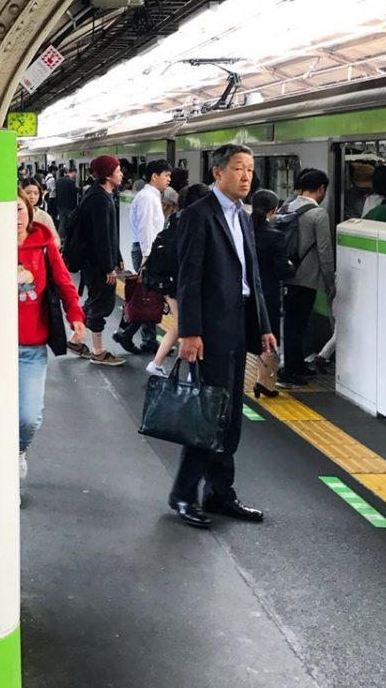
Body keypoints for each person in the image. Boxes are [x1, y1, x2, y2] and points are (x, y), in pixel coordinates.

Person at [170, 144, 276, 529]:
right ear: (217, 172)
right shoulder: (198, 215)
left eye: (249, 169)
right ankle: (184, 494)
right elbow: (188, 278)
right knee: (208, 414)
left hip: (236, 325)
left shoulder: (243, 216)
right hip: (209, 329)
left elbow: (252, 277)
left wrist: (263, 326)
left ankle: (219, 492)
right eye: (237, 168)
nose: (246, 176)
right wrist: (190, 331)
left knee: (230, 416)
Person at [16, 188, 84, 481]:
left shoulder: (43, 244)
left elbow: (64, 281)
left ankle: (19, 450)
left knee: (29, 417)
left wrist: (75, 315)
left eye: (19, 209)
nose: (15, 218)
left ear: (30, 210)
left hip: (30, 348)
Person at [141, 184, 209, 377]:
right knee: (184, 326)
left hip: (167, 281)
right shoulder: (194, 223)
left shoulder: (175, 219)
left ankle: (160, 363)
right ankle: (189, 370)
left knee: (182, 326)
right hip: (178, 283)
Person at [278, 168, 335, 388]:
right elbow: (324, 251)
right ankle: (290, 370)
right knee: (298, 325)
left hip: (287, 274)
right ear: (321, 189)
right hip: (306, 278)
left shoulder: (287, 207)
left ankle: (295, 365)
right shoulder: (318, 214)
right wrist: (330, 282)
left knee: (292, 324)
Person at [68, 155, 126, 367]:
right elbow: (101, 238)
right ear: (108, 175)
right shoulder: (99, 200)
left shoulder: (99, 195)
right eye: (118, 171)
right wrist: (108, 267)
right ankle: (98, 351)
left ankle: (75, 340)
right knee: (100, 305)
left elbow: (109, 234)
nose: (121, 174)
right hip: (97, 264)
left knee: (95, 301)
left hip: (95, 262)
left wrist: (117, 257)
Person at [113, 159, 172, 356]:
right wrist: (148, 256)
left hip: (146, 250)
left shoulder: (150, 196)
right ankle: (126, 333)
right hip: (146, 251)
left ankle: (148, 339)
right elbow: (146, 228)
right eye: (166, 175)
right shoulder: (148, 197)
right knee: (146, 296)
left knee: (148, 296)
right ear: (155, 176)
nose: (169, 179)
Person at [249, 189, 295, 398]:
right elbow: (281, 270)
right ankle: (264, 382)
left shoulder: (242, 229)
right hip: (267, 292)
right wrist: (291, 266)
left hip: (242, 290)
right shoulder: (275, 236)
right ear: (273, 210)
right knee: (267, 335)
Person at [21, 177, 60, 246]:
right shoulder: (13, 214)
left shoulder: (44, 216)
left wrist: (44, 246)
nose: (32, 196)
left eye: (36, 193)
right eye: (28, 193)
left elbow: (56, 240)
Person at [56, 167, 79, 234]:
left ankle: (61, 236)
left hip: (60, 204)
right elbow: (74, 192)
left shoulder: (59, 180)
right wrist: (78, 189)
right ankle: (70, 235)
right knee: (71, 221)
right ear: (74, 172)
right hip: (69, 205)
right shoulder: (71, 181)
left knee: (62, 221)